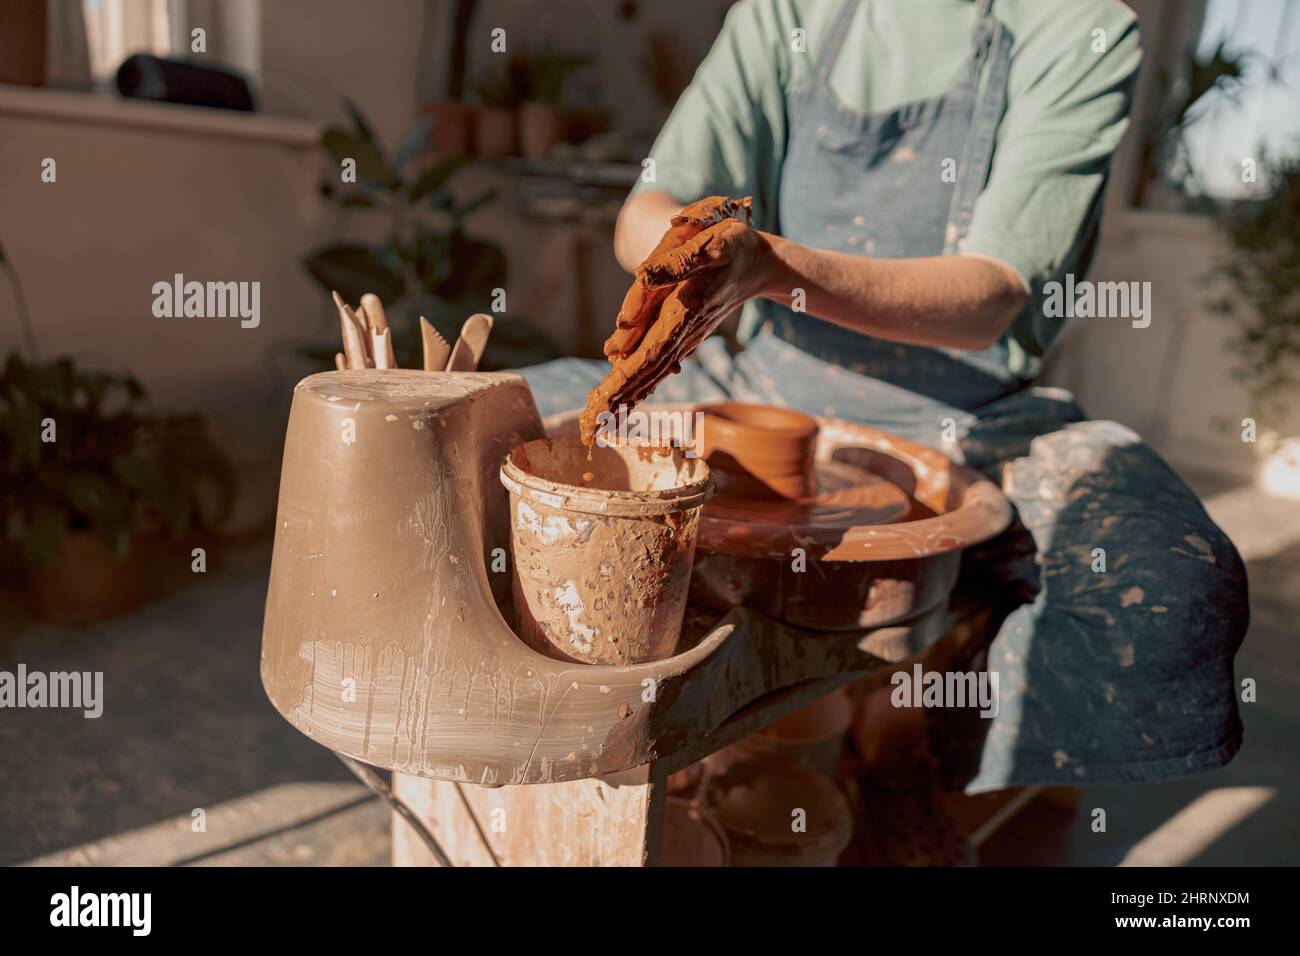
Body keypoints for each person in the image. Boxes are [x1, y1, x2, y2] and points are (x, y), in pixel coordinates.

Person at [521, 0, 1247, 841]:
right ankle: (614, 773)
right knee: (477, 429)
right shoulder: (786, 12)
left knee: (1172, 593)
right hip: (759, 374)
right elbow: (648, 210)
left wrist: (770, 266)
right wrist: (687, 252)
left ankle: (912, 732)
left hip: (966, 408)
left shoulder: (1076, 25)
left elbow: (992, 298)